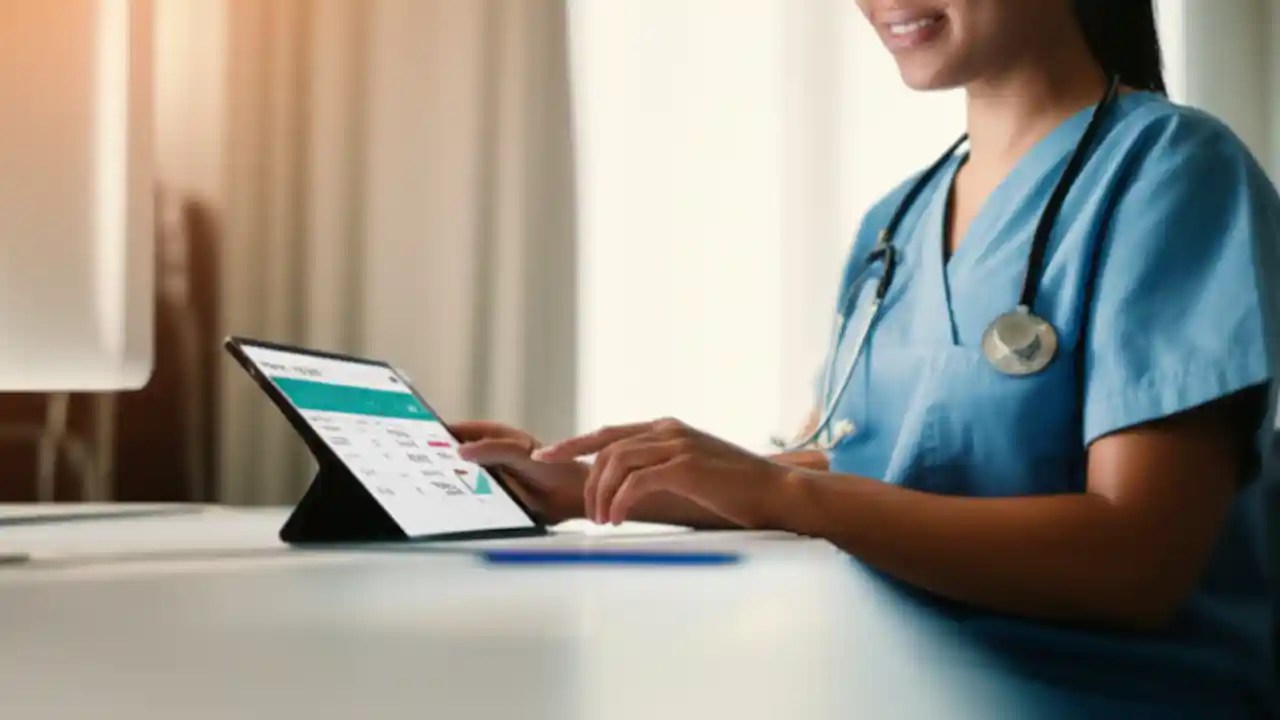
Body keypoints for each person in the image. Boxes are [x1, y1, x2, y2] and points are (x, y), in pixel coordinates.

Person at [455, 0, 1280, 713]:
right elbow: (852, 463)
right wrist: (593, 480)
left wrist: (784, 492)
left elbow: (1136, 562)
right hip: (883, 679)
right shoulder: (897, 223)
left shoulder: (1173, 172)